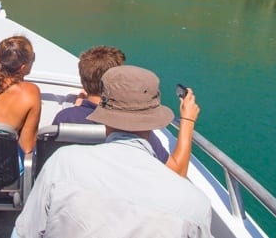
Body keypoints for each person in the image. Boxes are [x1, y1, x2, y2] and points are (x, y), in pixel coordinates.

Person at [14, 65, 212, 237]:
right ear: (154, 116)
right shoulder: (193, 205)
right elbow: (178, 171)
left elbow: (24, 233)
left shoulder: (62, 163)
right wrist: (187, 120)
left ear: (104, 113)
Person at [52, 45, 199, 176]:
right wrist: (188, 120)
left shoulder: (64, 118)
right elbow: (177, 172)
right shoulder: (133, 129)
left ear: (83, 80)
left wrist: (80, 106)